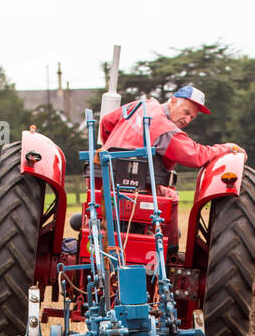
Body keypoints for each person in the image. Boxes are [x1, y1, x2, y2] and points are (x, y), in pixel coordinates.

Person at [100, 85, 243, 249]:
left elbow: (106, 122)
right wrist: (226, 148)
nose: (187, 120)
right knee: (171, 197)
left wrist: (113, 151)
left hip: (104, 181)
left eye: (192, 118)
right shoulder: (164, 129)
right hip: (136, 188)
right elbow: (197, 156)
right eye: (186, 112)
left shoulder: (142, 105)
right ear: (173, 101)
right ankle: (171, 251)